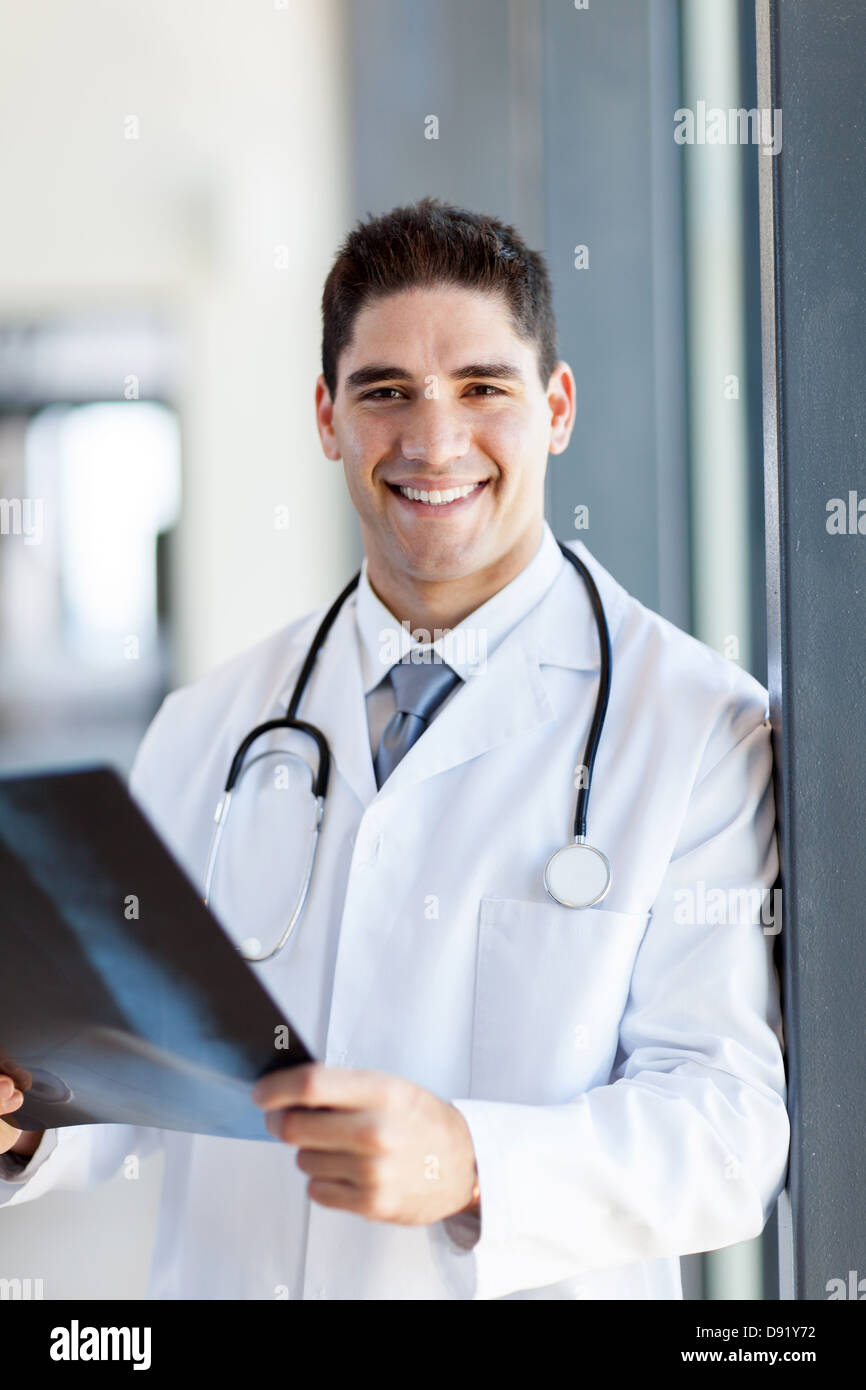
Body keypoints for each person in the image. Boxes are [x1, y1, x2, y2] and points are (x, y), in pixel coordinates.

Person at [0, 197, 789, 1300]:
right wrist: (26, 1117)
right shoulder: (211, 724)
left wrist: (472, 1162)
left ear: (554, 407)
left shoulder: (697, 727)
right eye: (385, 393)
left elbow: (726, 1130)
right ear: (326, 416)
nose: (432, 440)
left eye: (482, 387)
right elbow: (130, 1072)